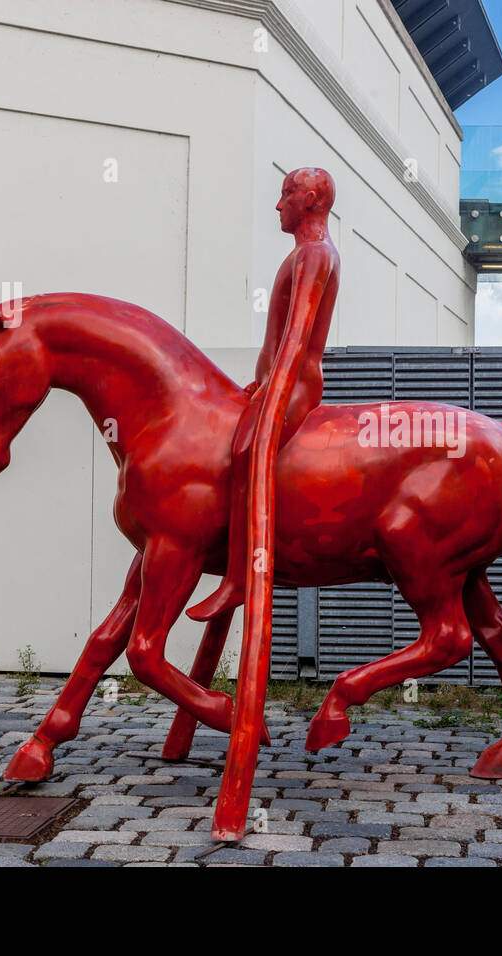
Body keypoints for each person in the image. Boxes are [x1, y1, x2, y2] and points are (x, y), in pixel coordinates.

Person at [187, 167, 339, 622]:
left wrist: (275, 393)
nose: (278, 205)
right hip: (276, 381)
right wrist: (258, 383)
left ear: (309, 199)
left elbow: (297, 338)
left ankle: (238, 578)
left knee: (249, 446)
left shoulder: (315, 255)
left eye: (287, 194)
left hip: (295, 384)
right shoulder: (298, 256)